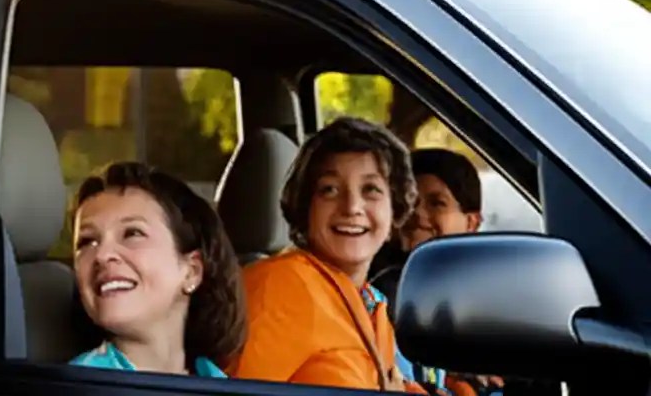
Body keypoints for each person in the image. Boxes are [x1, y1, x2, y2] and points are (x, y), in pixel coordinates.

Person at [226, 117, 423, 392]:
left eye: (371, 190)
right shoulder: (281, 285)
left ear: (395, 212)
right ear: (306, 208)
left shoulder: (370, 305)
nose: (352, 207)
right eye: (329, 190)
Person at [69, 162, 246, 378]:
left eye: (132, 233)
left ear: (191, 271)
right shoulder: (77, 385)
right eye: (87, 242)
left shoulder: (216, 380)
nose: (102, 255)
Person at [370, 148, 502, 396]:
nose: (417, 213)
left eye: (436, 203)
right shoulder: (382, 291)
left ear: (471, 222)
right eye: (410, 201)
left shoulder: (485, 295)